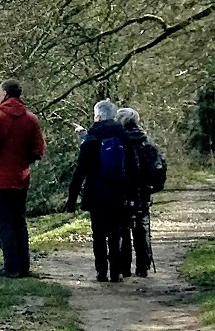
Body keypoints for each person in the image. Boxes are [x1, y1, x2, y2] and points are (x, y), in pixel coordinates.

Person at [0, 78, 46, 277]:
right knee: (19, 222)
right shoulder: (31, 119)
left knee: (4, 223)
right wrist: (24, 161)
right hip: (21, 177)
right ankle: (24, 266)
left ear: (5, 94)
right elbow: (39, 148)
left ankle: (11, 267)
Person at [66, 100, 139, 282]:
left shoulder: (92, 137)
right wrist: (133, 195)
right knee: (115, 232)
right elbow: (133, 168)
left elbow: (80, 170)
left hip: (96, 192)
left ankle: (101, 271)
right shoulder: (124, 136)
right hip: (118, 191)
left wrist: (72, 199)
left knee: (98, 233)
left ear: (97, 116)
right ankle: (115, 271)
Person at [119, 108, 168, 277]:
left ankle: (124, 267)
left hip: (124, 191)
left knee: (123, 228)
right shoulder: (146, 141)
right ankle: (143, 265)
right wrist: (154, 187)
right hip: (143, 191)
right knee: (142, 227)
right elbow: (159, 167)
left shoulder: (120, 141)